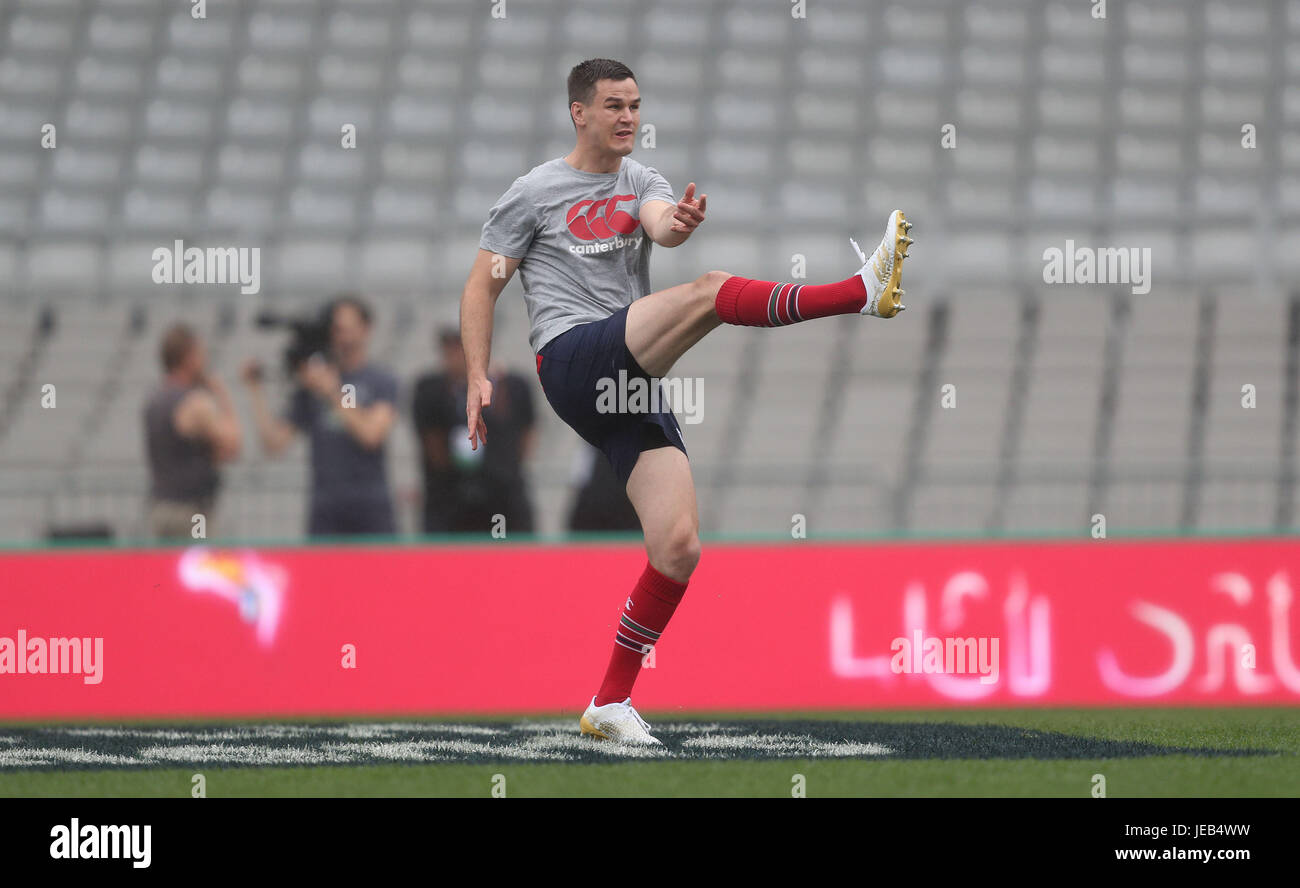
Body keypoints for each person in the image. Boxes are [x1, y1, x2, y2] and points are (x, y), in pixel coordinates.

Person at [461, 58, 913, 745]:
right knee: (710, 291)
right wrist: (477, 372)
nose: (628, 118)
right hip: (573, 357)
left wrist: (680, 220)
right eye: (614, 105)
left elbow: (662, 223)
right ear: (579, 112)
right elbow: (482, 285)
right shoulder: (534, 192)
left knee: (677, 547)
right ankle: (857, 293)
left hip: (628, 375)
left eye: (636, 105)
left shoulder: (641, 179)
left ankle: (609, 703)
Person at [242, 296, 399, 537]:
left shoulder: (380, 381)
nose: (340, 336)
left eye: (345, 329)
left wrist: (332, 393)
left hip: (370, 505)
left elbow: (371, 435)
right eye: (335, 330)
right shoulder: (311, 386)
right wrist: (255, 390)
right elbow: (274, 444)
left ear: (366, 329)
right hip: (326, 506)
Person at [412, 325, 537, 534]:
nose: (457, 353)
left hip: (502, 497)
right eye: (451, 345)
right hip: (449, 498)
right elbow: (432, 444)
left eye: (462, 345)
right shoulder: (431, 390)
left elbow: (525, 441)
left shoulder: (514, 386)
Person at [143, 323, 241, 540]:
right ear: (188, 357)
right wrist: (222, 395)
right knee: (201, 569)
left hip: (161, 506)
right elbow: (232, 445)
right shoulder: (194, 402)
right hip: (190, 512)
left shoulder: (155, 400)